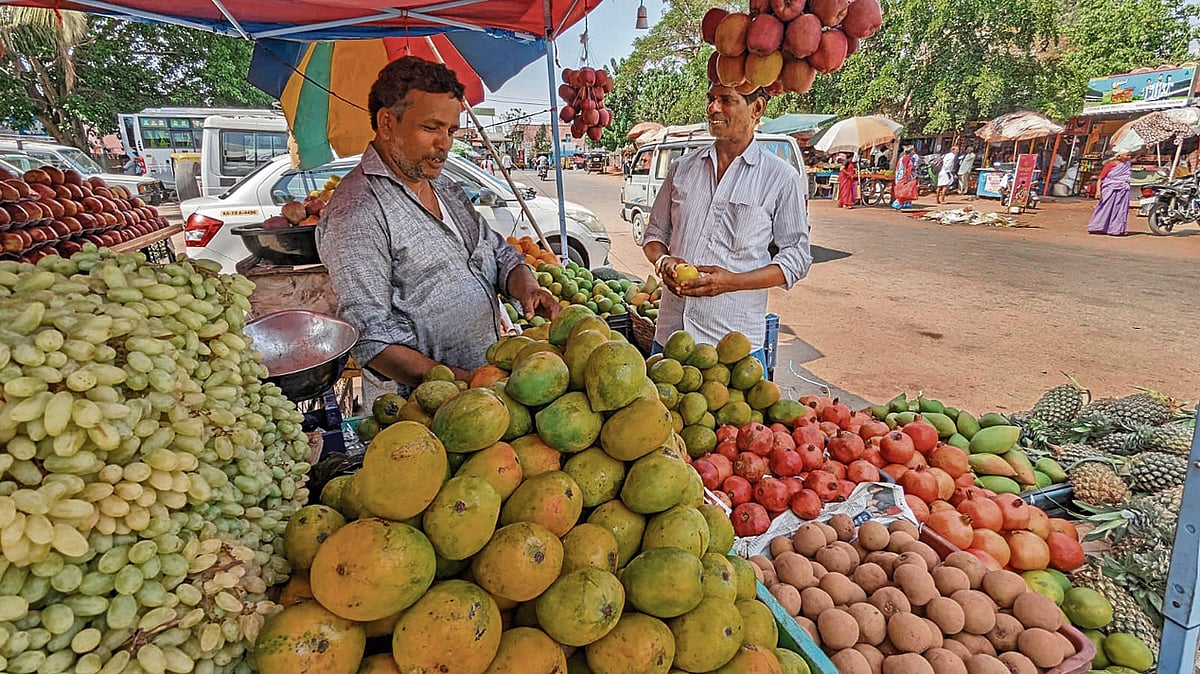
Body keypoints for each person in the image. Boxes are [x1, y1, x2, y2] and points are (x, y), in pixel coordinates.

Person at [317, 57, 560, 400]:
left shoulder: (443, 186)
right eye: (430, 128)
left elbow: (499, 253)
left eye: (450, 131)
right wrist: (464, 379)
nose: (444, 143)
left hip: (484, 393)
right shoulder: (358, 211)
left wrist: (527, 287)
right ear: (387, 123)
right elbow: (372, 339)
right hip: (422, 411)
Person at [642, 82, 811, 365]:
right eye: (710, 99)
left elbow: (796, 259)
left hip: (734, 349)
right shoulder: (681, 169)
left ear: (757, 108)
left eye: (726, 100)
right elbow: (654, 235)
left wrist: (733, 282)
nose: (713, 108)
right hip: (670, 337)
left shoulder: (780, 178)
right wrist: (663, 262)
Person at [1087, 153, 1133, 236]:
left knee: (1120, 209)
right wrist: (1098, 191)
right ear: (1119, 156)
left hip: (1123, 189)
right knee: (1105, 208)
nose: (1129, 157)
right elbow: (1100, 178)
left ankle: (1116, 229)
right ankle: (1097, 227)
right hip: (1109, 189)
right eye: (1127, 155)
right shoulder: (1110, 164)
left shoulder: (1127, 165)